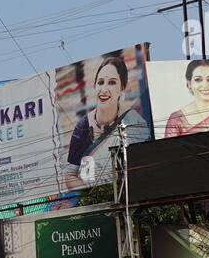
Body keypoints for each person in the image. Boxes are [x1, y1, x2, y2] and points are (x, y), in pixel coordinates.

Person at [64, 54, 150, 188]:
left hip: (128, 194)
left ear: (122, 88)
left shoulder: (134, 122)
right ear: (95, 86)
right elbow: (70, 176)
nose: (104, 89)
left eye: (112, 82)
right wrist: (91, 192)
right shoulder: (83, 126)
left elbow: (146, 166)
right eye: (100, 82)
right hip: (93, 201)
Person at [164, 58, 209, 137]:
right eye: (198, 80)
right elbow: (170, 148)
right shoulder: (177, 119)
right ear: (189, 84)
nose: (205, 85)